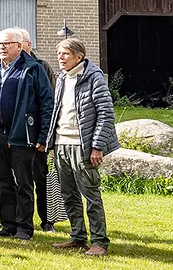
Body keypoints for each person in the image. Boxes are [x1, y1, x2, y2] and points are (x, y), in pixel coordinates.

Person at [0, 27, 54, 240]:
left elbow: (47, 103)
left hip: (22, 135)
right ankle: (8, 225)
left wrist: (43, 137)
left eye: (7, 44)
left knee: (23, 183)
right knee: (2, 182)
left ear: (19, 46)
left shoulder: (33, 69)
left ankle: (24, 228)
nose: (2, 47)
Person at [47, 37, 119, 256]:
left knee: (90, 194)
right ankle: (78, 238)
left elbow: (106, 114)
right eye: (59, 53)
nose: (60, 58)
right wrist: (49, 142)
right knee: (68, 195)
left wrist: (97, 146)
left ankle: (99, 242)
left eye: (65, 54)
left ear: (79, 56)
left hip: (83, 145)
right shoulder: (61, 78)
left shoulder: (94, 77)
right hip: (61, 144)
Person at [17, 27, 58, 232]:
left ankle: (46, 219)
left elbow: (49, 102)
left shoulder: (41, 67)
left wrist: (46, 136)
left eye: (19, 42)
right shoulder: (6, 66)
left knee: (40, 177)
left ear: (28, 45)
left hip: (36, 134)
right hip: (15, 136)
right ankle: (20, 220)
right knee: (18, 180)